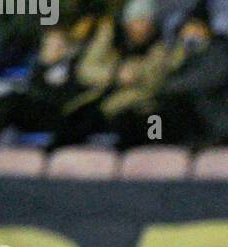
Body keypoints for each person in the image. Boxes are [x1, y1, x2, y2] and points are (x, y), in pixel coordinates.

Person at [53, 0, 172, 151]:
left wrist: (134, 73)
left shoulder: (159, 46)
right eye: (139, 21)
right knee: (71, 122)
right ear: (128, 22)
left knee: (145, 124)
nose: (144, 26)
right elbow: (85, 71)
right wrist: (116, 74)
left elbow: (153, 82)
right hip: (100, 100)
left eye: (148, 21)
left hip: (137, 107)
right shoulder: (111, 36)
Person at [0, 29, 83, 157]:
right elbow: (34, 91)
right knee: (4, 101)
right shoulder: (40, 64)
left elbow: (70, 95)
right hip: (38, 111)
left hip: (64, 114)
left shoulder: (75, 66)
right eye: (47, 44)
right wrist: (44, 65)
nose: (50, 47)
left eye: (56, 44)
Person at [155, 8, 228, 149]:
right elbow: (159, 84)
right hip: (194, 134)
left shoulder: (220, 49)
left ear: (207, 29)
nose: (191, 33)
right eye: (186, 29)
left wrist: (165, 85)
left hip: (227, 132)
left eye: (196, 27)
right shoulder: (177, 54)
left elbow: (203, 81)